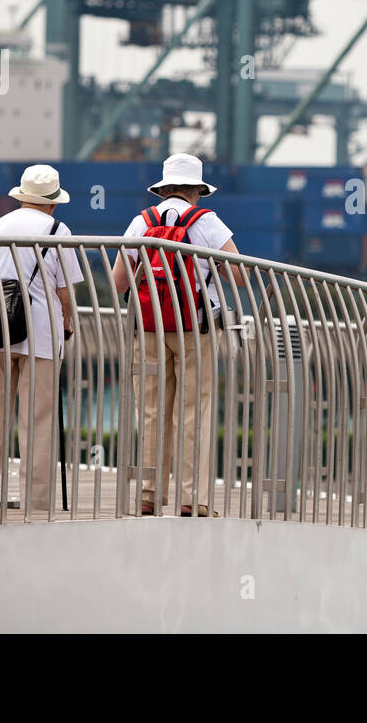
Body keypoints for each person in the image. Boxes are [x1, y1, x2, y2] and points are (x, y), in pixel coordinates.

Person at [111, 153, 246, 517]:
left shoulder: (142, 222)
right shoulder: (207, 222)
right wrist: (213, 262)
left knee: (151, 411)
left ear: (164, 189)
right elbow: (240, 276)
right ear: (196, 191)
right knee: (193, 412)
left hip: (149, 327)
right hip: (196, 329)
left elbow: (118, 281)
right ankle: (192, 499)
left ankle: (149, 494)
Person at [0, 164, 82, 513]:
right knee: (37, 421)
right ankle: (35, 501)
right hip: (42, 336)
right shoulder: (57, 230)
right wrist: (67, 325)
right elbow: (65, 291)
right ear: (52, 202)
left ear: (22, 197)